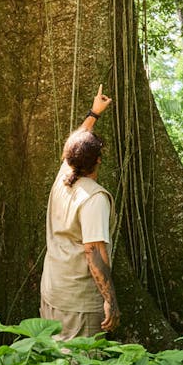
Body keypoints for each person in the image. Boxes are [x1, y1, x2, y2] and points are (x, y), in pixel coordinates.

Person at [40, 85, 120, 340]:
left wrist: (94, 113)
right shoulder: (94, 198)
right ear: (98, 160)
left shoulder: (64, 178)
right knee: (79, 362)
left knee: (54, 356)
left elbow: (75, 142)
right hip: (79, 303)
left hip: (53, 290)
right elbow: (93, 252)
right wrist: (110, 301)